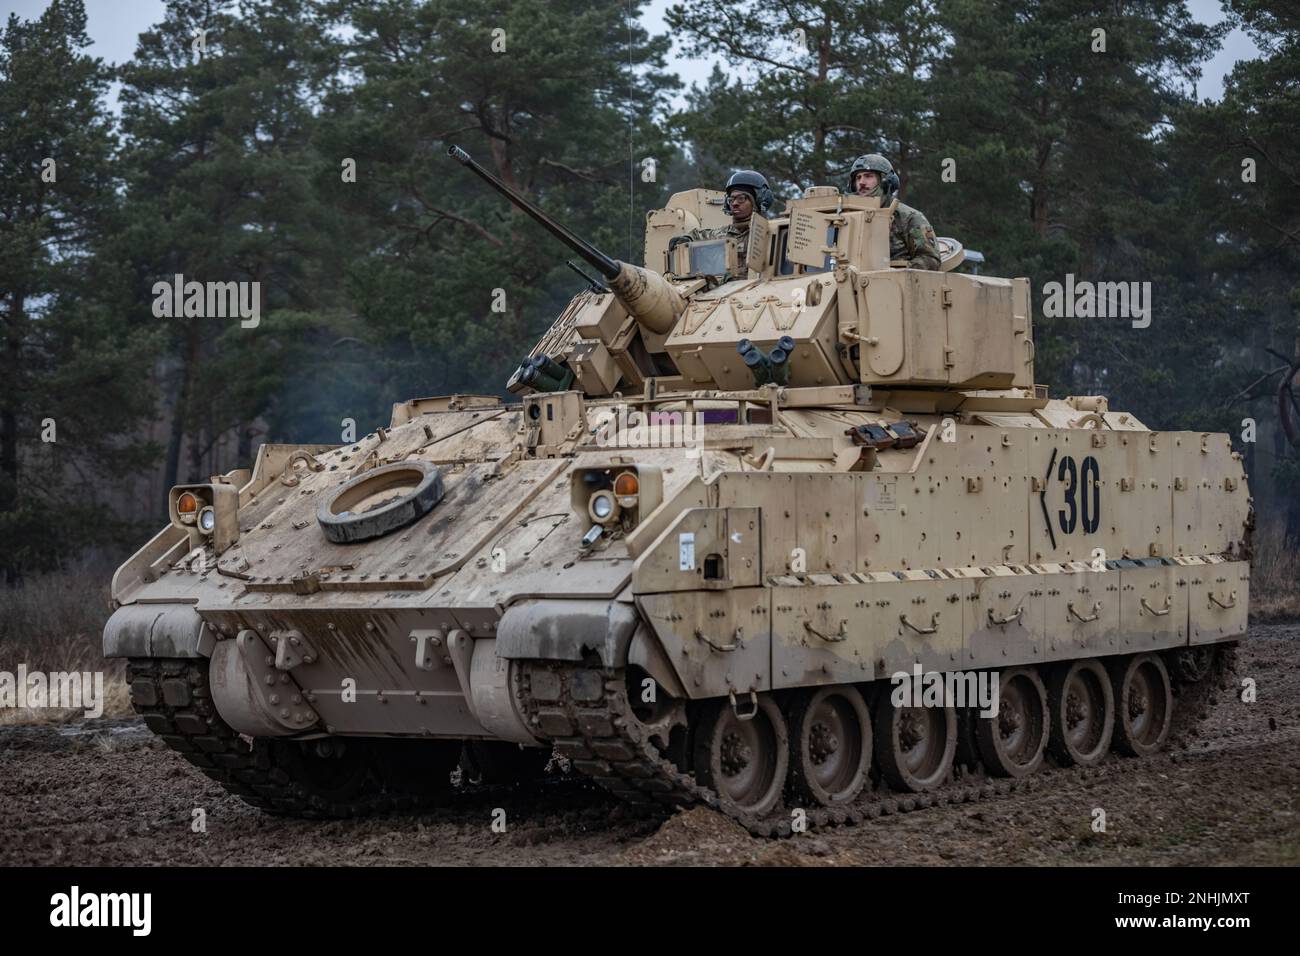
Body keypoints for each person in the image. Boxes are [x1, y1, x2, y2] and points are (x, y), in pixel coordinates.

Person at [670, 171, 773, 279]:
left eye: (741, 198)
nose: (734, 203)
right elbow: (697, 235)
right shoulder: (721, 234)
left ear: (758, 200)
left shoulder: (772, 234)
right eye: (731, 199)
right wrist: (686, 238)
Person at [846, 153, 940, 270]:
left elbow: (930, 259)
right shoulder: (849, 217)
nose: (861, 182)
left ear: (885, 181)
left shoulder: (908, 217)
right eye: (858, 178)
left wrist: (897, 274)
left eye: (868, 176)